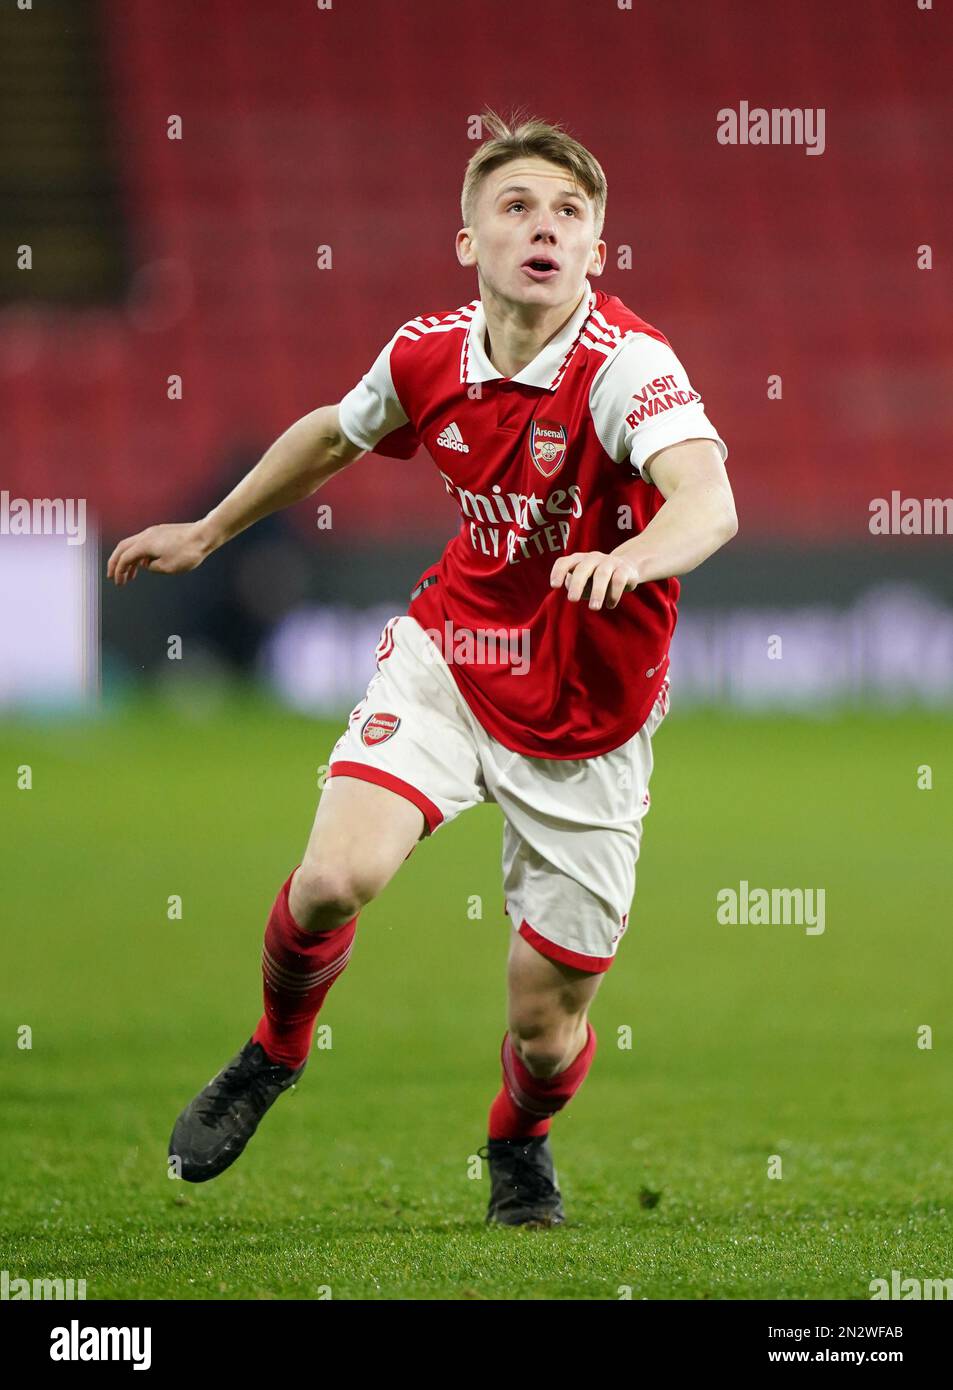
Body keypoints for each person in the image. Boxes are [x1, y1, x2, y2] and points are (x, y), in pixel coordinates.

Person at [107, 110, 737, 1227]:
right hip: (454, 657)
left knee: (546, 1025)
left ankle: (519, 1141)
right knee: (330, 882)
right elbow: (334, 433)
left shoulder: (623, 366)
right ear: (469, 240)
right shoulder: (426, 353)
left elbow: (708, 498)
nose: (544, 226)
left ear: (595, 249)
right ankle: (271, 1051)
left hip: (588, 719)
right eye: (517, 206)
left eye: (569, 212)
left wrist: (631, 557)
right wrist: (207, 531)